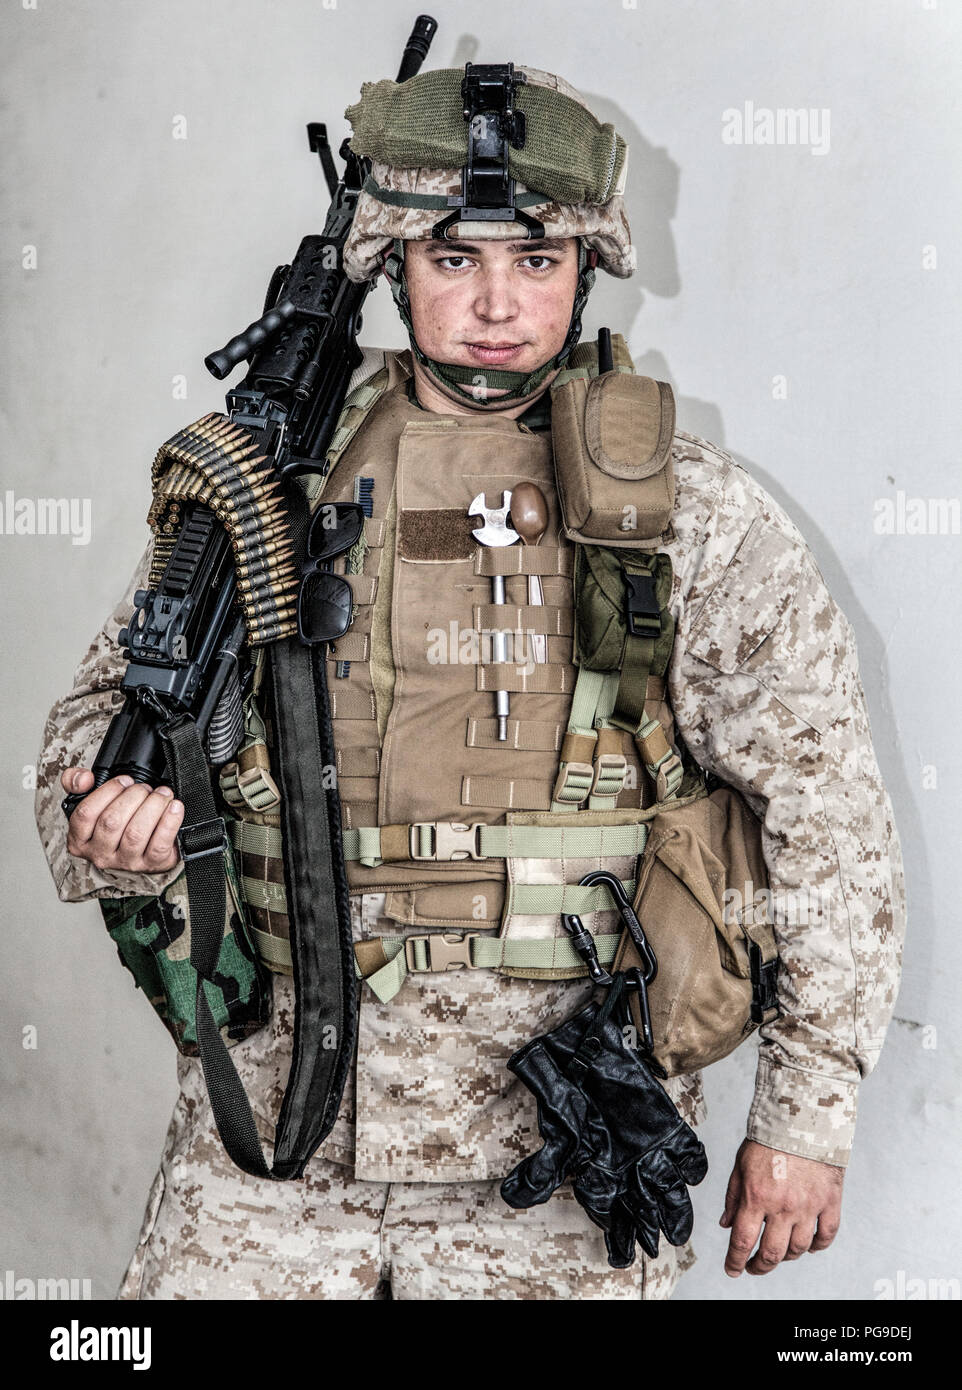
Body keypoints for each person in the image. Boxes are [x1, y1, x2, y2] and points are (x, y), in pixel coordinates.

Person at [35, 63, 905, 1300]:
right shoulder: (262, 484)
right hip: (273, 1146)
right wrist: (112, 832)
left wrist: (806, 1116)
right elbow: (91, 735)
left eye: (538, 262)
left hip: (550, 1147)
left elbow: (829, 820)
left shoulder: (686, 513)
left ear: (586, 268)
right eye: (454, 260)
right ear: (391, 264)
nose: (498, 302)